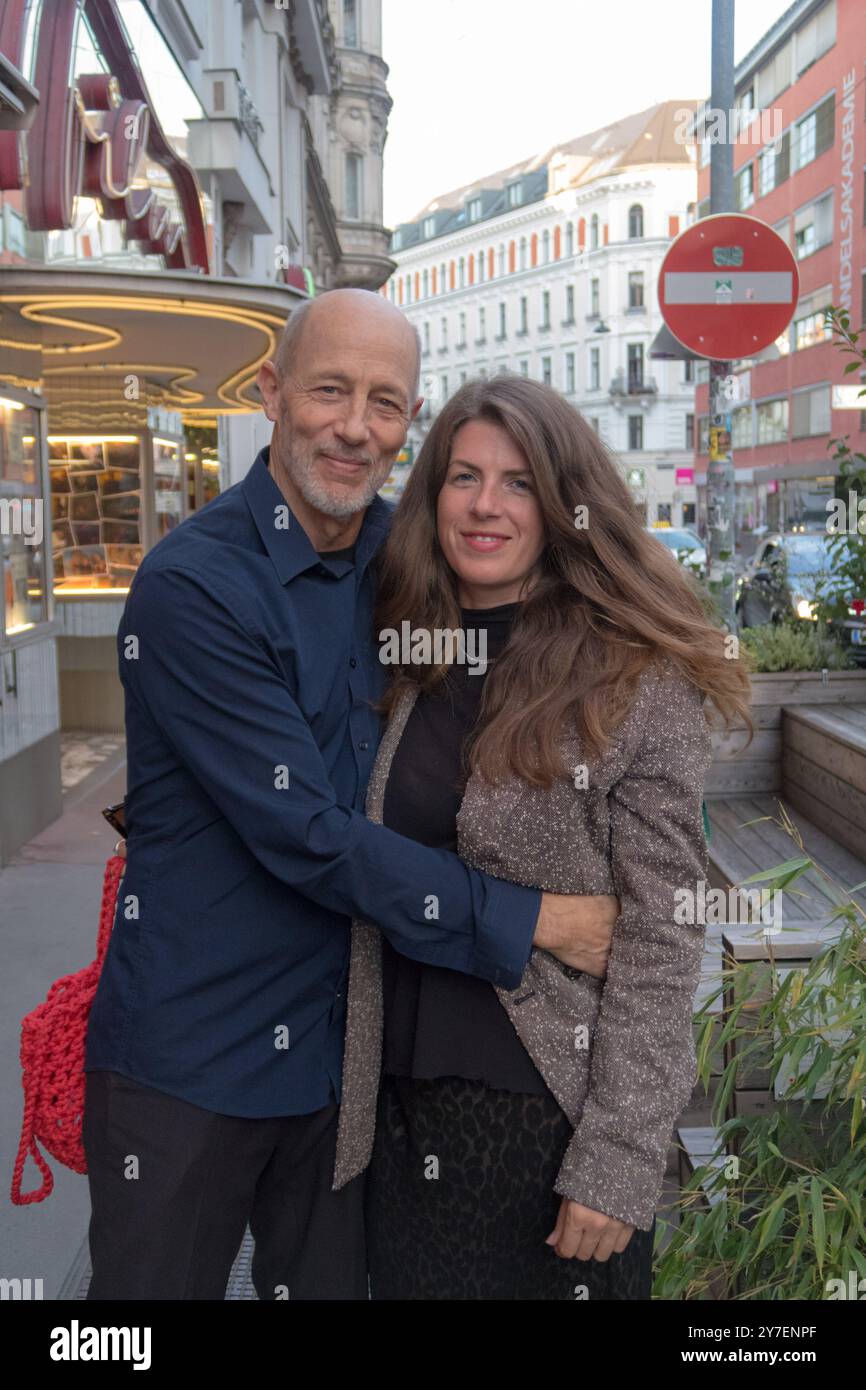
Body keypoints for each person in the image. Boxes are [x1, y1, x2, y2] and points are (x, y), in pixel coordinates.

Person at [82, 290, 617, 1301]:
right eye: (330, 390)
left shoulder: (408, 565)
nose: (354, 426)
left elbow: (544, 615)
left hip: (346, 1073)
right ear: (271, 393)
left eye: (383, 403)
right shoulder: (192, 587)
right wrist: (532, 918)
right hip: (190, 1061)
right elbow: (309, 834)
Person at [333, 375, 753, 1300]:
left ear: (566, 502)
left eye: (519, 483)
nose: (486, 506)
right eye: (464, 476)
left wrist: (617, 1160)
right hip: (397, 1114)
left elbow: (661, 936)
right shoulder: (402, 646)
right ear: (430, 493)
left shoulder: (632, 678)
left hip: (546, 1126)